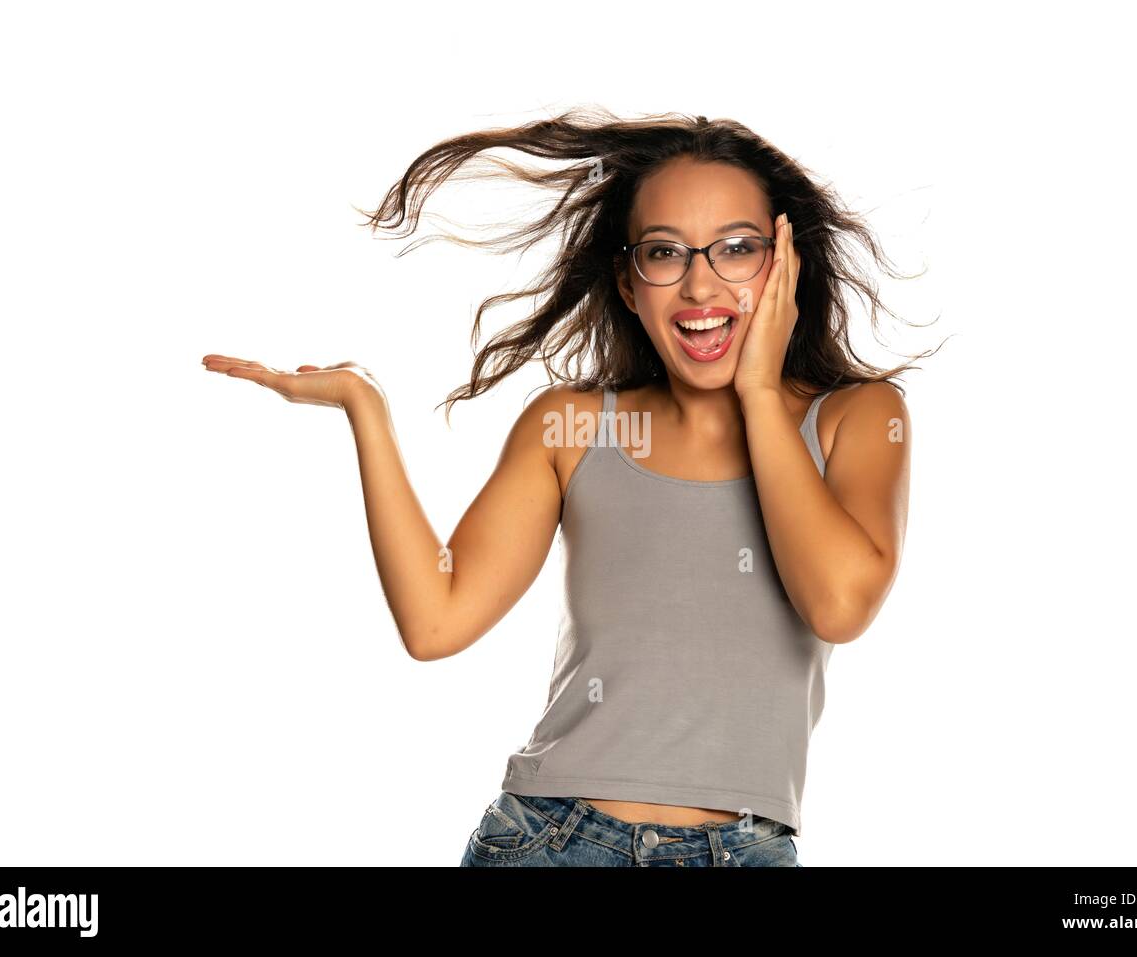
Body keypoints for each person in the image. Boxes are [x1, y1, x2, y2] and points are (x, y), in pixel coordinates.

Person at [202, 108, 928, 866]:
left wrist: (759, 392)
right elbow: (434, 622)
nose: (699, 283)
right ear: (628, 283)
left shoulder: (857, 417)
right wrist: (366, 408)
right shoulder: (572, 427)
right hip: (553, 840)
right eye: (664, 252)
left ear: (787, 267)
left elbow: (838, 604)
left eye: (737, 249)